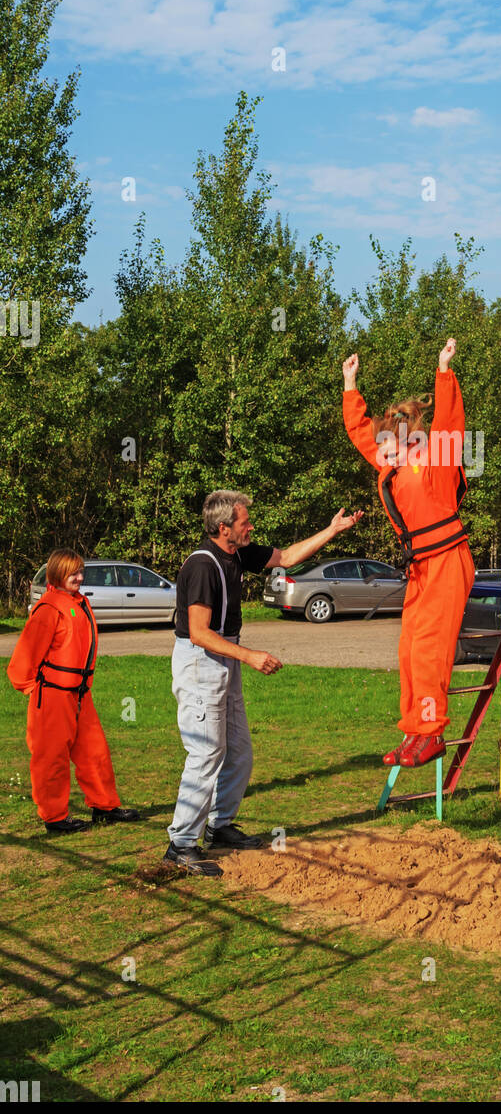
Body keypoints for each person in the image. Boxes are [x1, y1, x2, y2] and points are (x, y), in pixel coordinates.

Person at [165, 489, 363, 877]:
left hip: (225, 657)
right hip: (201, 662)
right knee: (206, 754)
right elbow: (200, 633)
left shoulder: (238, 552)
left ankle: (220, 826)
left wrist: (333, 530)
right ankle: (182, 844)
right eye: (244, 522)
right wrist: (250, 656)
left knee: (238, 751)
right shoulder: (202, 566)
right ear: (224, 528)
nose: (250, 526)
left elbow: (287, 557)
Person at [342, 337, 475, 768]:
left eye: (388, 442)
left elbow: (451, 423)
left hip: (449, 561)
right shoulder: (390, 465)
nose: (379, 449)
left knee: (430, 649)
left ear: (409, 439)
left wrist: (444, 369)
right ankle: (413, 730)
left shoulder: (435, 461)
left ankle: (431, 732)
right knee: (408, 649)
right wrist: (349, 385)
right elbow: (359, 432)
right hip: (420, 567)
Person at [6, 548, 139, 834]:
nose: (79, 578)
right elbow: (24, 658)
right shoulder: (49, 607)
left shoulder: (77, 603)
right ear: (58, 574)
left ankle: (104, 806)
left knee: (95, 752)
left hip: (79, 694)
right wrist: (32, 688)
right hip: (52, 695)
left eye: (80, 572)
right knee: (51, 756)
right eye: (72, 573)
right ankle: (55, 818)